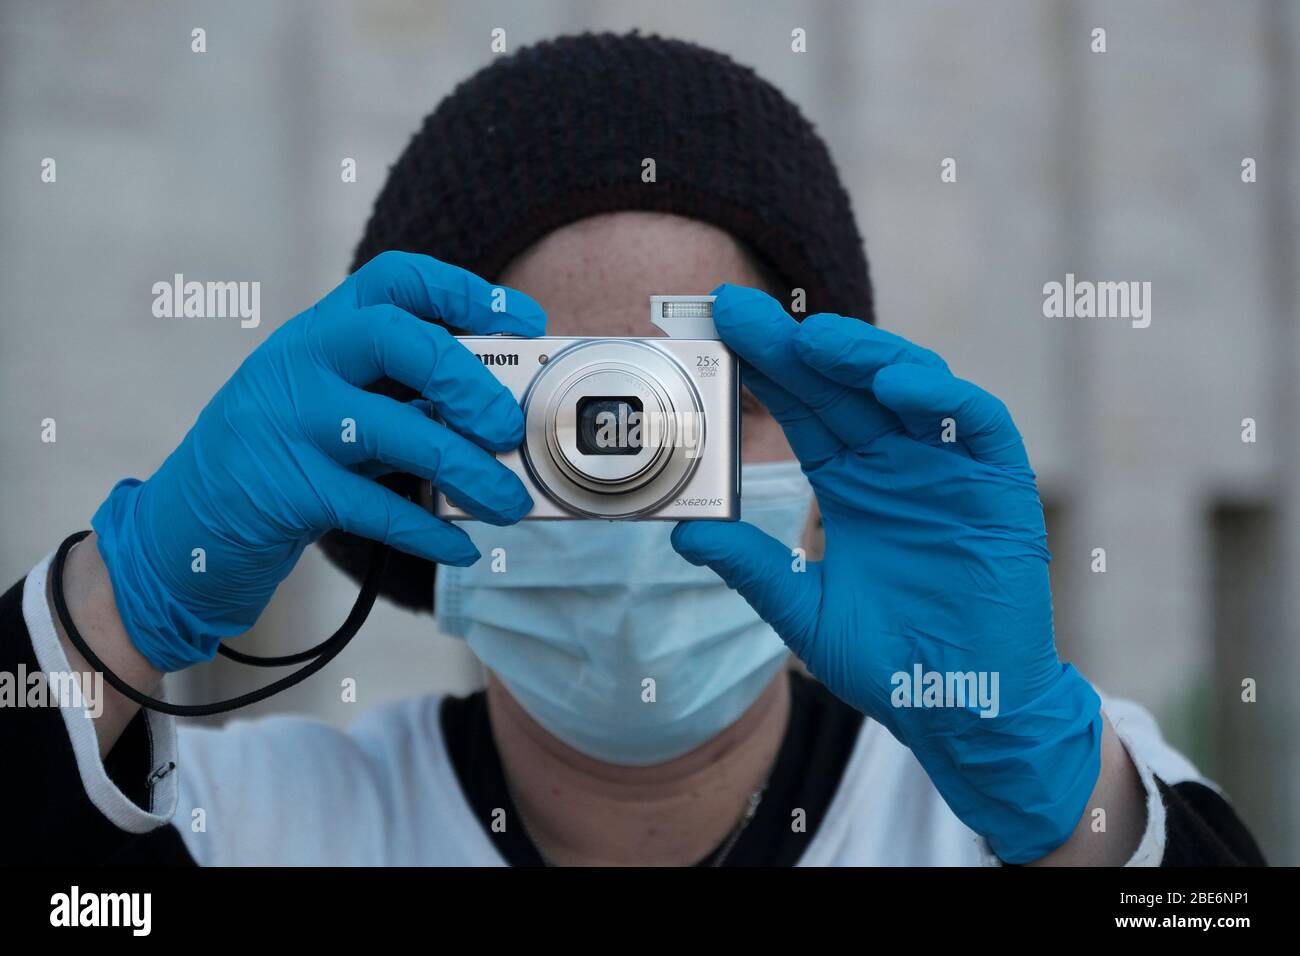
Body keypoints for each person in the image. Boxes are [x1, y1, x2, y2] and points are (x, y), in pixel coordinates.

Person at [4, 33, 1264, 867]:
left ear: (835, 460)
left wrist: (1066, 810)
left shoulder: (1025, 816)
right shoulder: (255, 830)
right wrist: (114, 602)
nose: (621, 470)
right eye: (551, 397)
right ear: (412, 447)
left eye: (698, 396)